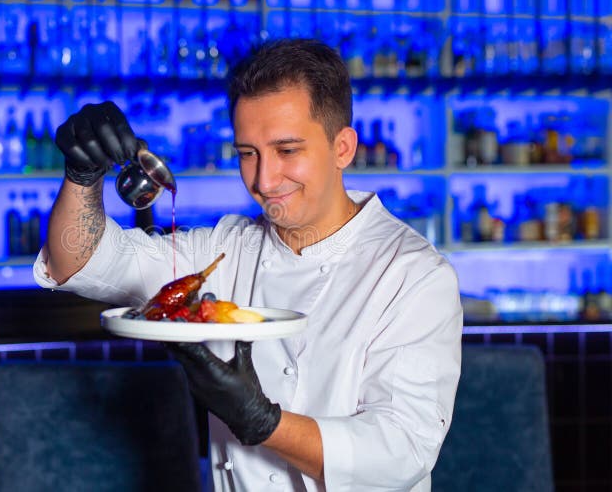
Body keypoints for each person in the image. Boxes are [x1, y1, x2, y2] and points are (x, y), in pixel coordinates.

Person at [34, 38, 462, 491]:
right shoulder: (226, 247)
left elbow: (402, 452)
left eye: (287, 150)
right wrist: (81, 176)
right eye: (247, 153)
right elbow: (80, 260)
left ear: (343, 148)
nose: (263, 179)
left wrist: (263, 423)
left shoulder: (412, 274)